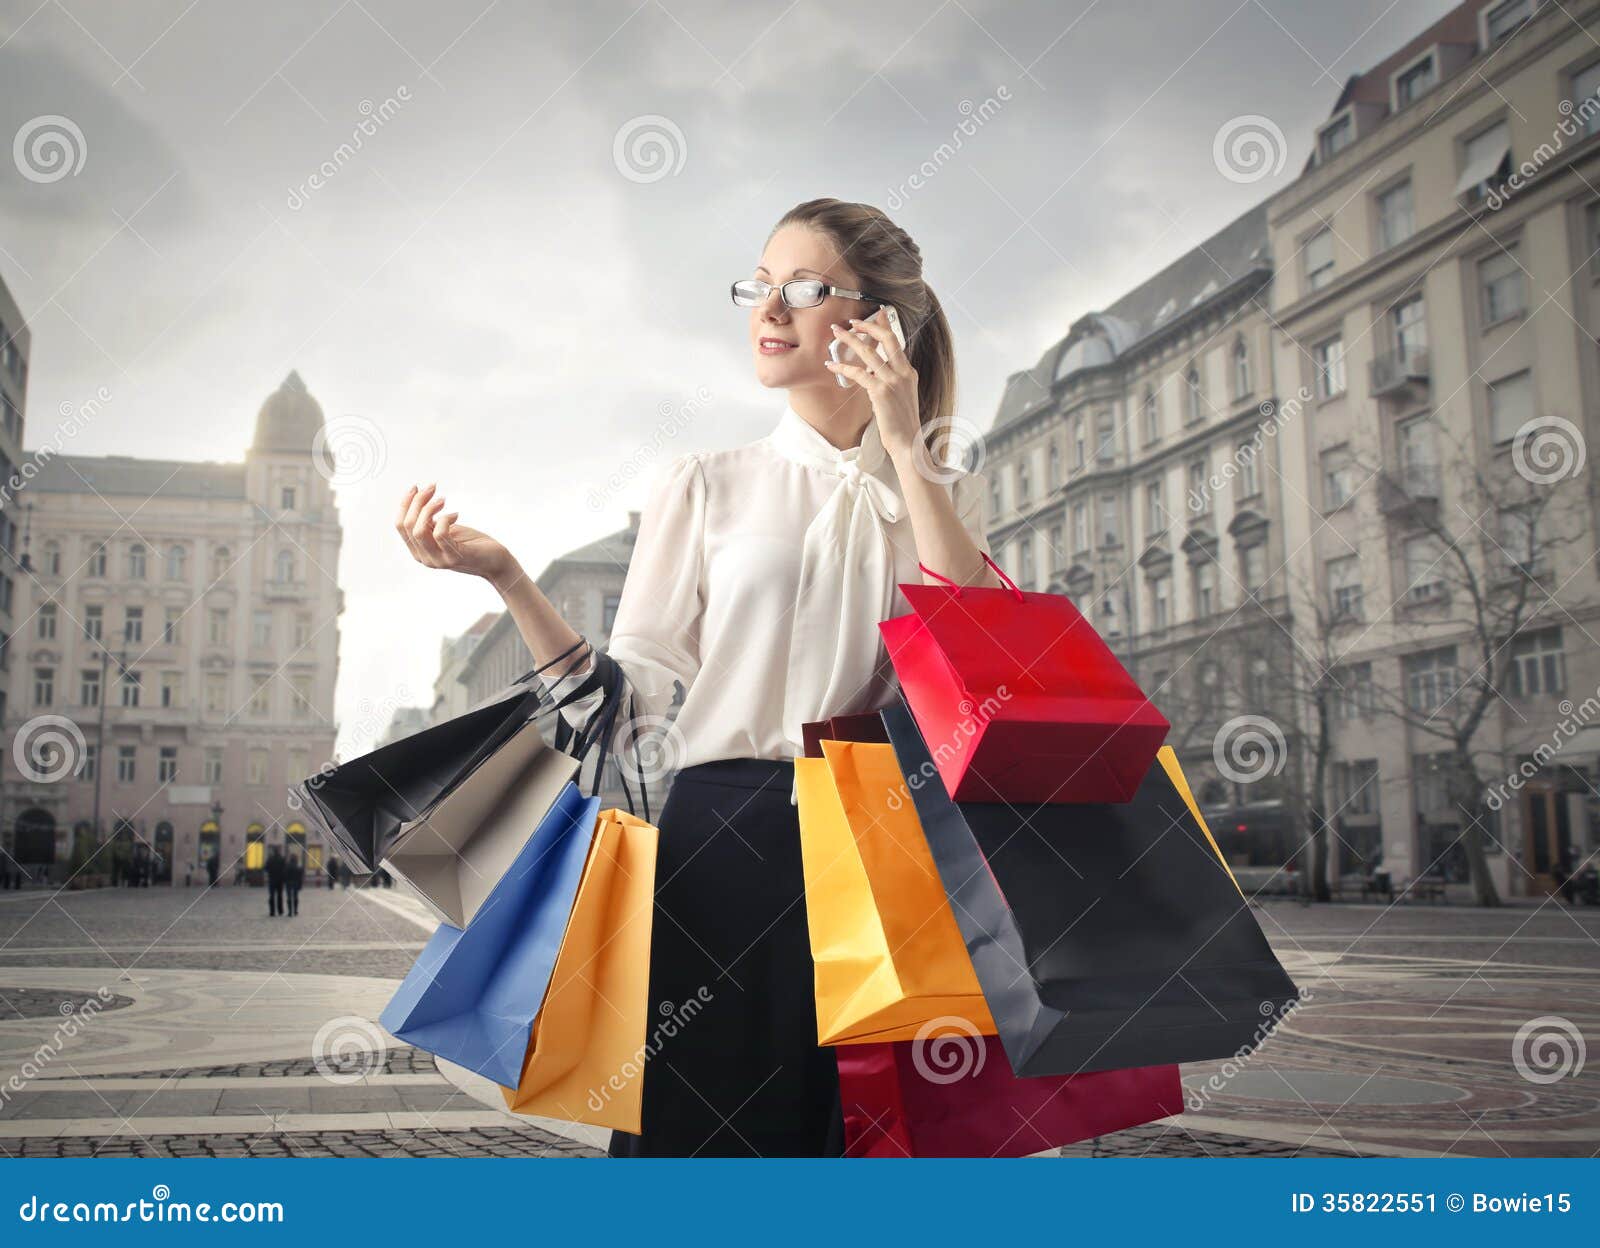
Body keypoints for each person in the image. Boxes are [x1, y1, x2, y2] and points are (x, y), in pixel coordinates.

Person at [396, 198, 996, 1157]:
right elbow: (624, 704)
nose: (771, 308)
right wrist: (509, 577)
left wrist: (906, 439)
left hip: (882, 846)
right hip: (725, 840)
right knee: (706, 1129)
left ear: (881, 322)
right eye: (760, 285)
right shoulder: (707, 482)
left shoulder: (930, 500)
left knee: (857, 1138)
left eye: (804, 288)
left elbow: (976, 658)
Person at [265, 847, 287, 917]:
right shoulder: (282, 859)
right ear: (279, 852)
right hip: (280, 880)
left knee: (272, 896)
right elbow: (285, 869)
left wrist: (270, 872)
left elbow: (266, 868)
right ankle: (280, 911)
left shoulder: (270, 859)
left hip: (272, 880)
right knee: (279, 896)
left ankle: (272, 911)